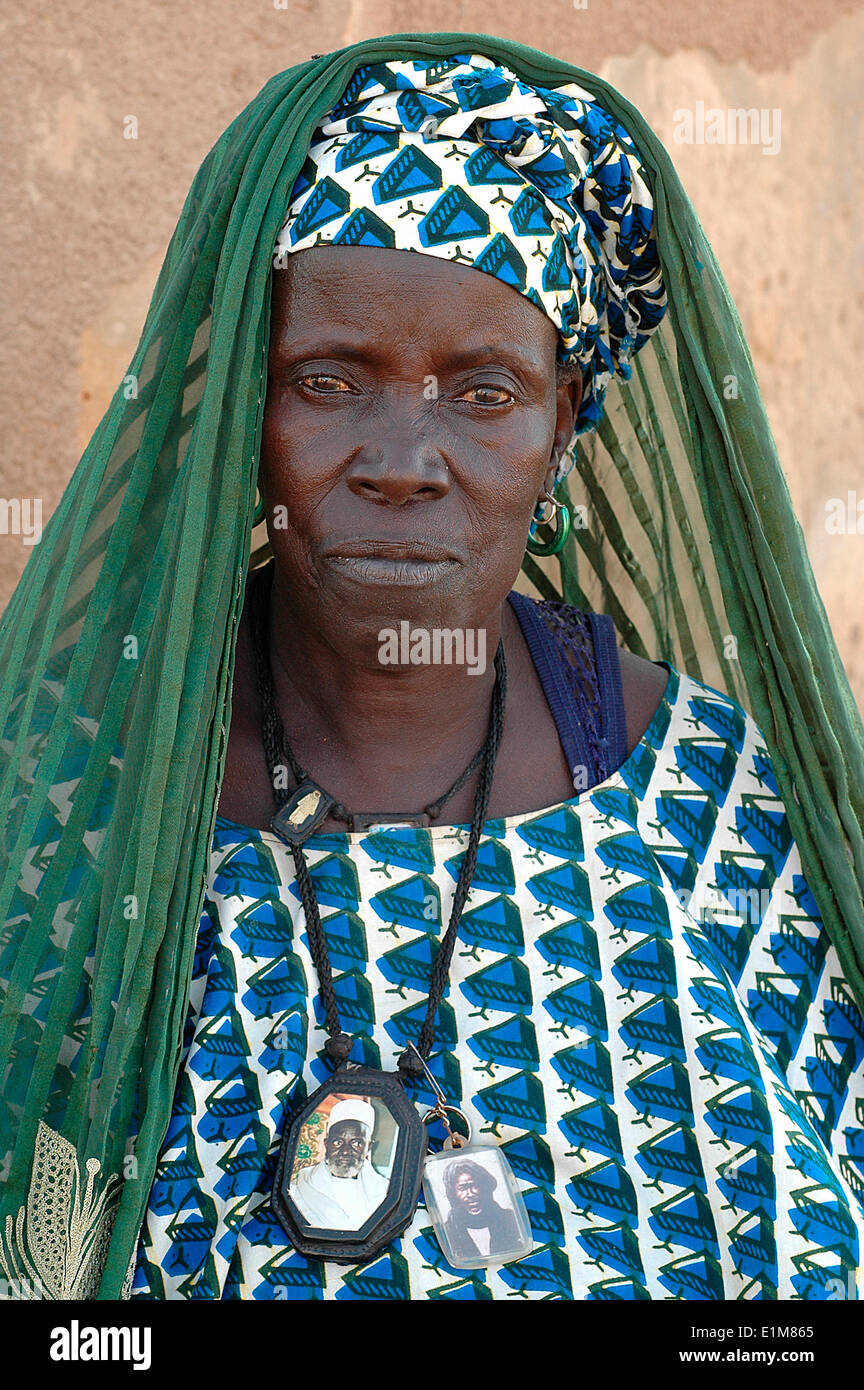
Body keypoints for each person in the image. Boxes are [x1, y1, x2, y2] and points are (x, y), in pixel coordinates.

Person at [1, 37, 863, 1303]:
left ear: (563, 426)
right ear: (248, 406)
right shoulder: (67, 800)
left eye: (485, 392)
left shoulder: (708, 809)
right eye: (329, 380)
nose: (400, 460)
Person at [288, 1099, 390, 1231]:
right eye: (337, 1142)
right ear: (326, 1144)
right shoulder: (299, 1187)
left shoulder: (385, 1191)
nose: (345, 1151)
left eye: (356, 1143)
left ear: (369, 1147)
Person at [441, 1159, 523, 1262]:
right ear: (452, 1193)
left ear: (485, 1187)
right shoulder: (448, 1230)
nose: (470, 1194)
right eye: (463, 1188)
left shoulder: (509, 1219)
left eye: (474, 1186)